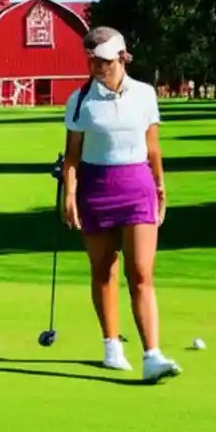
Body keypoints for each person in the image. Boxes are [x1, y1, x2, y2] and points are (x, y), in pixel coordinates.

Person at [61, 25, 181, 382]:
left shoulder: (144, 95)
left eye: (104, 61)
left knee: (140, 273)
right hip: (95, 186)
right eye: (93, 61)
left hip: (137, 185)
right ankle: (112, 344)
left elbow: (153, 147)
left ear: (122, 57)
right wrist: (69, 196)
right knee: (103, 269)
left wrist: (161, 186)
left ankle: (151, 354)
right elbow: (72, 156)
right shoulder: (80, 99)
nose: (97, 67)